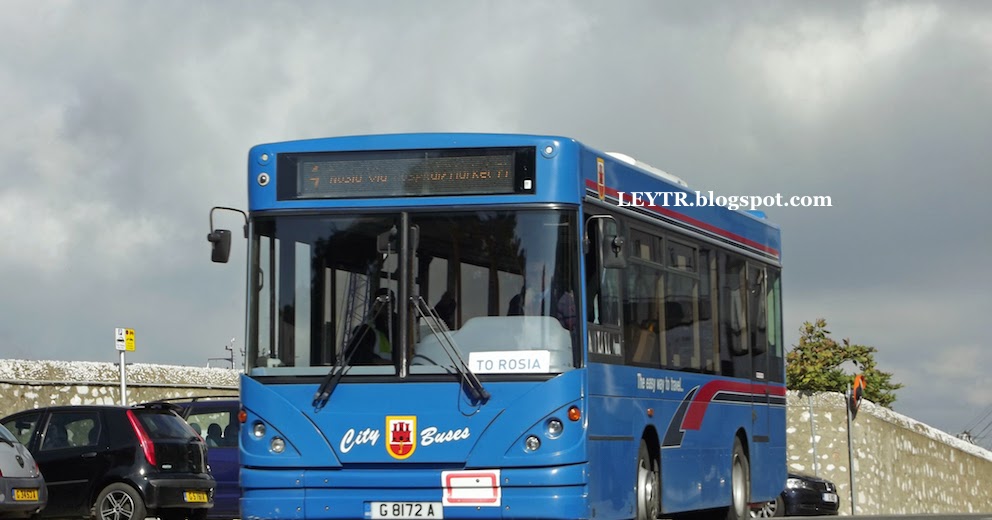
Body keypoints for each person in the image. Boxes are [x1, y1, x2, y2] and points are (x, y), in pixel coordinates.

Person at [508, 259, 576, 330]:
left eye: (542, 273)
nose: (538, 278)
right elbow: (510, 332)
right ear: (525, 275)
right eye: (533, 274)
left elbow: (574, 335)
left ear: (550, 273)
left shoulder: (565, 302)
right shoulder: (516, 302)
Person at [344, 288, 397, 365]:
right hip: (377, 375)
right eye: (382, 302)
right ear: (375, 305)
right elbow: (355, 357)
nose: (386, 306)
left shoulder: (403, 329)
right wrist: (380, 362)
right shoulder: (365, 330)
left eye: (390, 302)